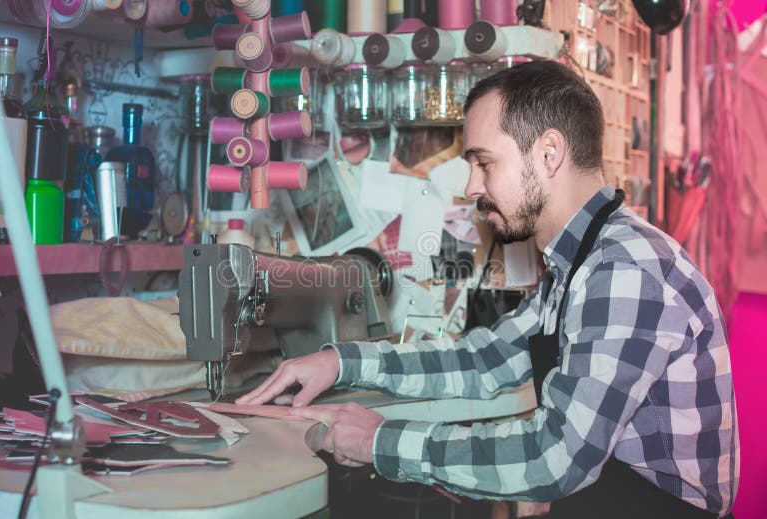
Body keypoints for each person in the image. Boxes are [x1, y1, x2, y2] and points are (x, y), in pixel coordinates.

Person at [237, 60, 739, 518]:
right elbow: (483, 361)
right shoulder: (581, 260)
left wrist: (381, 441)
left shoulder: (626, 268)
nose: (472, 186)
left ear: (548, 153)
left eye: (483, 162)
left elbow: (556, 456)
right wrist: (342, 362)